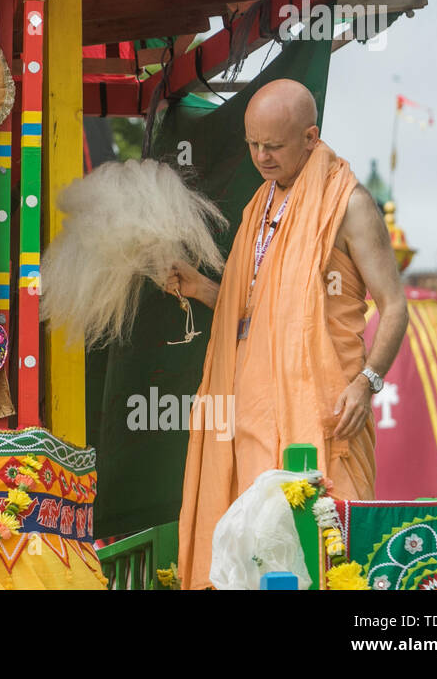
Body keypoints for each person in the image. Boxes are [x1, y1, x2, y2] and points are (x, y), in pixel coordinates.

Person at [164, 79, 408, 589]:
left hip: (323, 406)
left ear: (311, 137)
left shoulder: (349, 204)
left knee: (320, 545)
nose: (260, 156)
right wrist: (205, 289)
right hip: (248, 402)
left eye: (272, 146)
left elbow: (395, 305)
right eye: (252, 144)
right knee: (253, 545)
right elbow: (256, 308)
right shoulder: (260, 206)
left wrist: (367, 380)